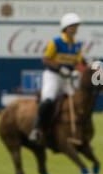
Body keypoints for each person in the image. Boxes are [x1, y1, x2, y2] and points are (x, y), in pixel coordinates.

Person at [28, 11, 86, 145]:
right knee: (48, 100)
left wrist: (77, 72)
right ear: (65, 28)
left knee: (78, 102)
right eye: (72, 26)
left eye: (76, 26)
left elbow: (77, 63)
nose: (75, 29)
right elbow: (46, 59)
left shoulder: (78, 45)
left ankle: (78, 130)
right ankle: (36, 129)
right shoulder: (55, 42)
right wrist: (60, 68)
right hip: (53, 76)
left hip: (68, 79)